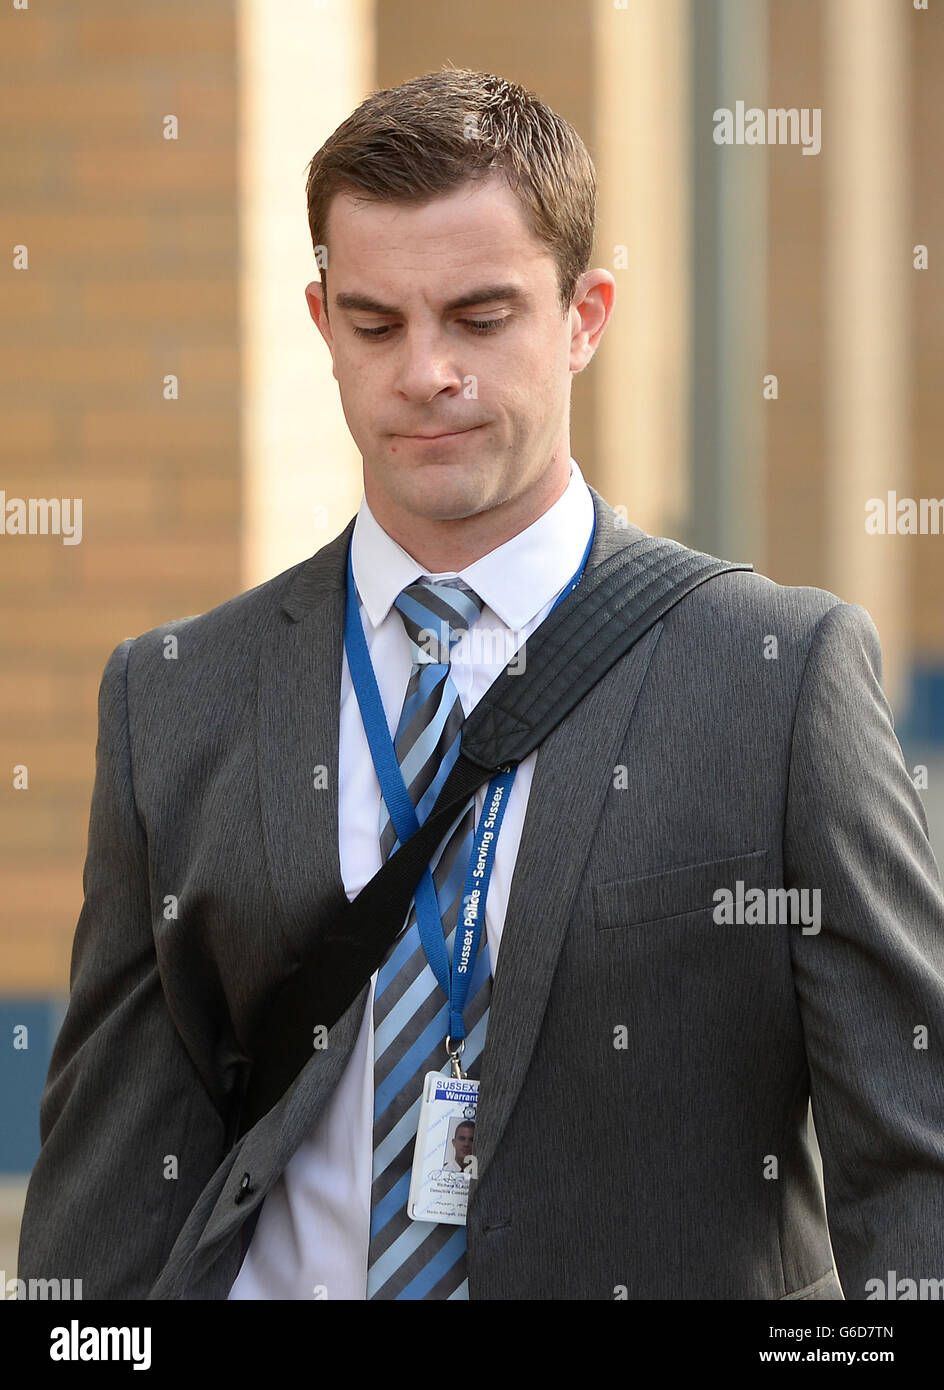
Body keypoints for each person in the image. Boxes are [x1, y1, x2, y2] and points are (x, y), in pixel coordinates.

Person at [17, 67, 944, 1302]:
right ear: (320, 321)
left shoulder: (778, 680)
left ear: (584, 314)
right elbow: (105, 1201)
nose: (425, 373)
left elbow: (912, 1162)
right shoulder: (174, 699)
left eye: (479, 315)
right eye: (376, 323)